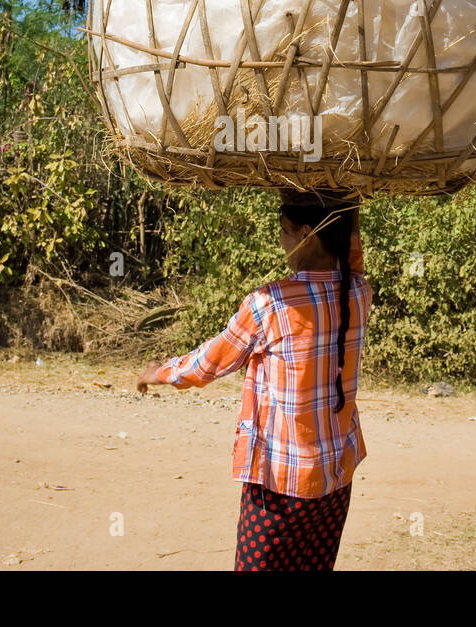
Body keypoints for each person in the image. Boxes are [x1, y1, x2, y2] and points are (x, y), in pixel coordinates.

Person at [136, 188, 371, 570]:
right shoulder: (358, 291)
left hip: (281, 487)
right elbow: (353, 255)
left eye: (284, 230)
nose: (281, 241)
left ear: (307, 234)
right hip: (336, 480)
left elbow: (208, 364)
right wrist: (351, 203)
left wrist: (159, 372)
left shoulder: (270, 304)